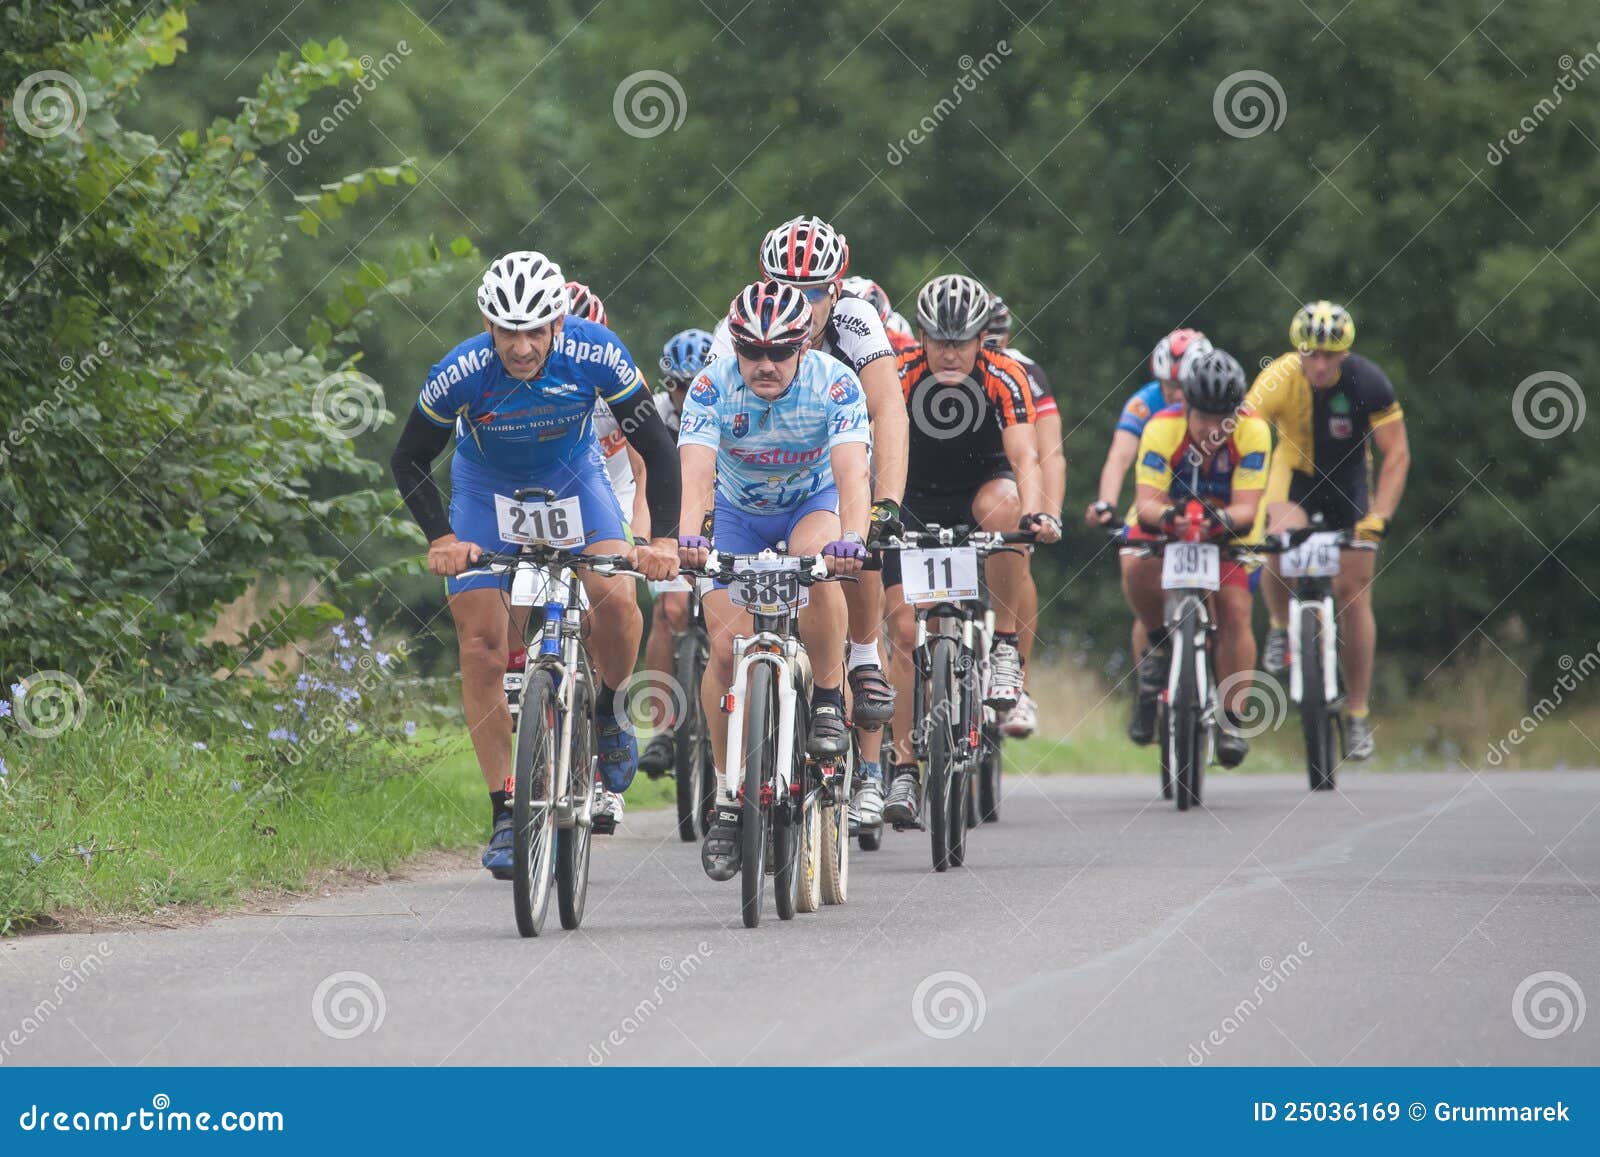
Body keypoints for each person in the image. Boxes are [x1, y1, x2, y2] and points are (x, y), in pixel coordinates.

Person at [389, 251, 679, 879]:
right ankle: (504, 813)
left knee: (617, 596)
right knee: (480, 649)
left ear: (558, 324)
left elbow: (656, 443)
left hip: (573, 477)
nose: (521, 347)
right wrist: (441, 536)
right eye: (506, 331)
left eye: (534, 331)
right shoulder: (461, 371)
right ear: (486, 327)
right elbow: (409, 458)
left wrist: (666, 542)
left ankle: (605, 707)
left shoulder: (596, 352)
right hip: (485, 489)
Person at [709, 215, 908, 832]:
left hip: (835, 461)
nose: (805, 304)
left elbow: (888, 412)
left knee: (863, 539)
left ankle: (865, 658)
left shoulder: (855, 323)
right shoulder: (739, 326)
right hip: (756, 478)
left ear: (839, 288)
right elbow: (710, 418)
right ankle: (731, 783)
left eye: (817, 292)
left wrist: (887, 504)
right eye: (789, 287)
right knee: (723, 641)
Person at [678, 281, 872, 881]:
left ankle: (828, 700)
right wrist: (690, 539)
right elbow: (696, 475)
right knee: (723, 649)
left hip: (809, 503)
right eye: (751, 352)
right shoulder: (711, 385)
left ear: (804, 345)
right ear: (734, 346)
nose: (764, 365)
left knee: (819, 565)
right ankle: (730, 795)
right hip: (736, 513)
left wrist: (854, 539)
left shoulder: (836, 383)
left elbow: (851, 472)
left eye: (779, 353)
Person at [879, 274, 1060, 829]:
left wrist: (1037, 513)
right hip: (911, 497)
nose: (951, 352)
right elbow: (875, 454)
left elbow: (1025, 456)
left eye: (963, 340)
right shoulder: (900, 373)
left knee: (1006, 506)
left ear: (984, 338)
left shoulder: (1005, 376)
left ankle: (1005, 645)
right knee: (907, 634)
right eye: (939, 339)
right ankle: (906, 767)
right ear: (923, 337)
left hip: (979, 493)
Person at [1245, 301, 1409, 761]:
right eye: (1310, 354)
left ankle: (1357, 714)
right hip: (1294, 478)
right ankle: (1280, 626)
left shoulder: (1368, 381)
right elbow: (1246, 434)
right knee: (1276, 539)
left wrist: (1379, 517)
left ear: (1345, 354)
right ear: (1298, 350)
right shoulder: (1277, 376)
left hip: (1349, 487)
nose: (1319, 364)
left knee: (1355, 594)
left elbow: (1396, 455)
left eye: (1330, 355)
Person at [1124, 348, 1270, 768]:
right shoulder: (1161, 427)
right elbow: (1146, 502)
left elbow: (1247, 506)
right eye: (1203, 417)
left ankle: (1232, 717)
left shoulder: (1254, 431)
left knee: (1236, 610)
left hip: (1226, 527)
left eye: (1221, 419)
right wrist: (1171, 517)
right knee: (1133, 562)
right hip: (1170, 520)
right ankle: (1155, 648)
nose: (1211, 429)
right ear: (1184, 404)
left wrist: (1219, 519)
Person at [1083, 327, 1214, 744]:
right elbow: (1119, 456)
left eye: (1181, 385)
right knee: (1134, 559)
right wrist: (1106, 502)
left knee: (1224, 600)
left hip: (1212, 502)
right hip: (1155, 497)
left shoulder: (1217, 399)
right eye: (1167, 384)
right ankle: (1150, 680)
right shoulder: (1144, 403)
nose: (1174, 393)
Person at [983, 294, 1067, 738]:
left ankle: (1020, 686)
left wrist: (1046, 515)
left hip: (1009, 474)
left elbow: (1049, 452)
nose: (991, 344)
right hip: (954, 481)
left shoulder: (1026, 373)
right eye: (985, 336)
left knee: (1020, 559)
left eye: (998, 336)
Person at [638, 327, 716, 776]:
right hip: (673, 520)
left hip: (722, 516)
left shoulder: (728, 407)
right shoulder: (654, 415)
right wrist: (645, 541)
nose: (687, 394)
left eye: (695, 383)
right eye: (679, 385)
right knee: (668, 610)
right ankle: (664, 728)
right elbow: (645, 480)